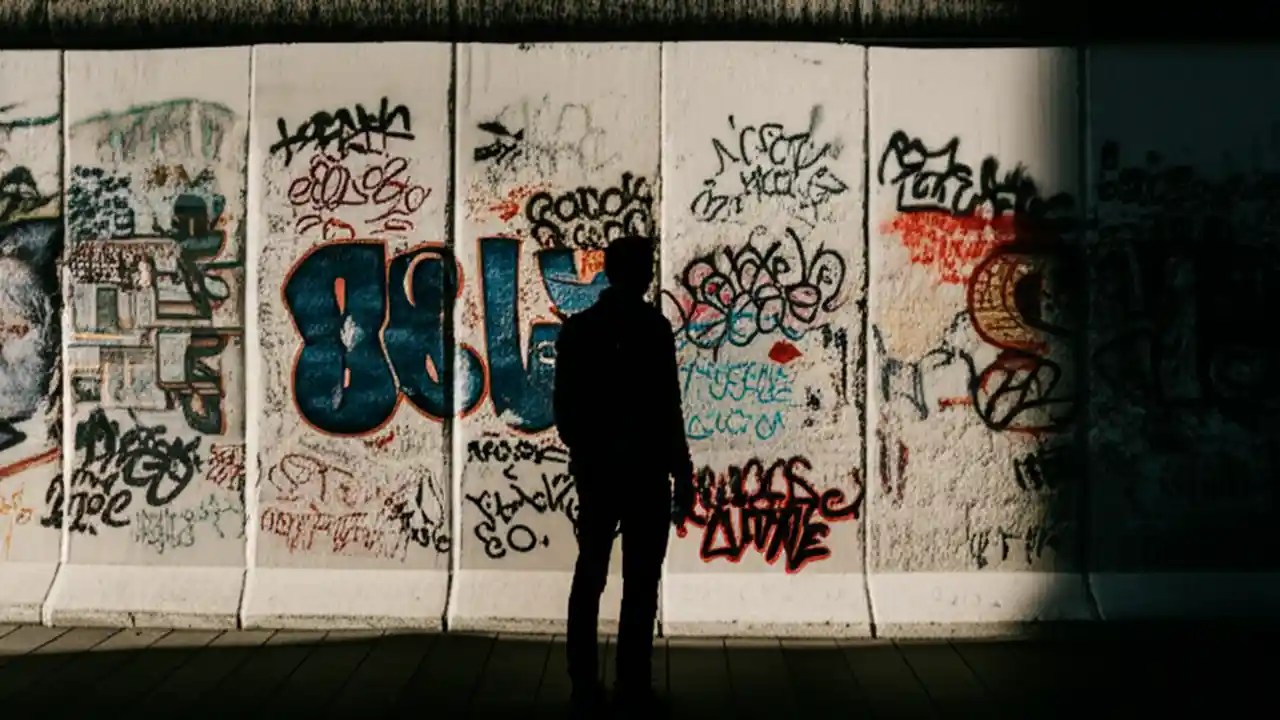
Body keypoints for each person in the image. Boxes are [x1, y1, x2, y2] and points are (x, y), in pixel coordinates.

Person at [553, 235, 695, 716]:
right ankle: (631, 680)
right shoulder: (654, 330)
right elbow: (668, 411)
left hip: (598, 473)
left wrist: (589, 453)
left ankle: (582, 681)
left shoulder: (578, 332)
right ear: (641, 274)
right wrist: (683, 474)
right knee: (640, 582)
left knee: (589, 573)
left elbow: (565, 412)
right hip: (647, 474)